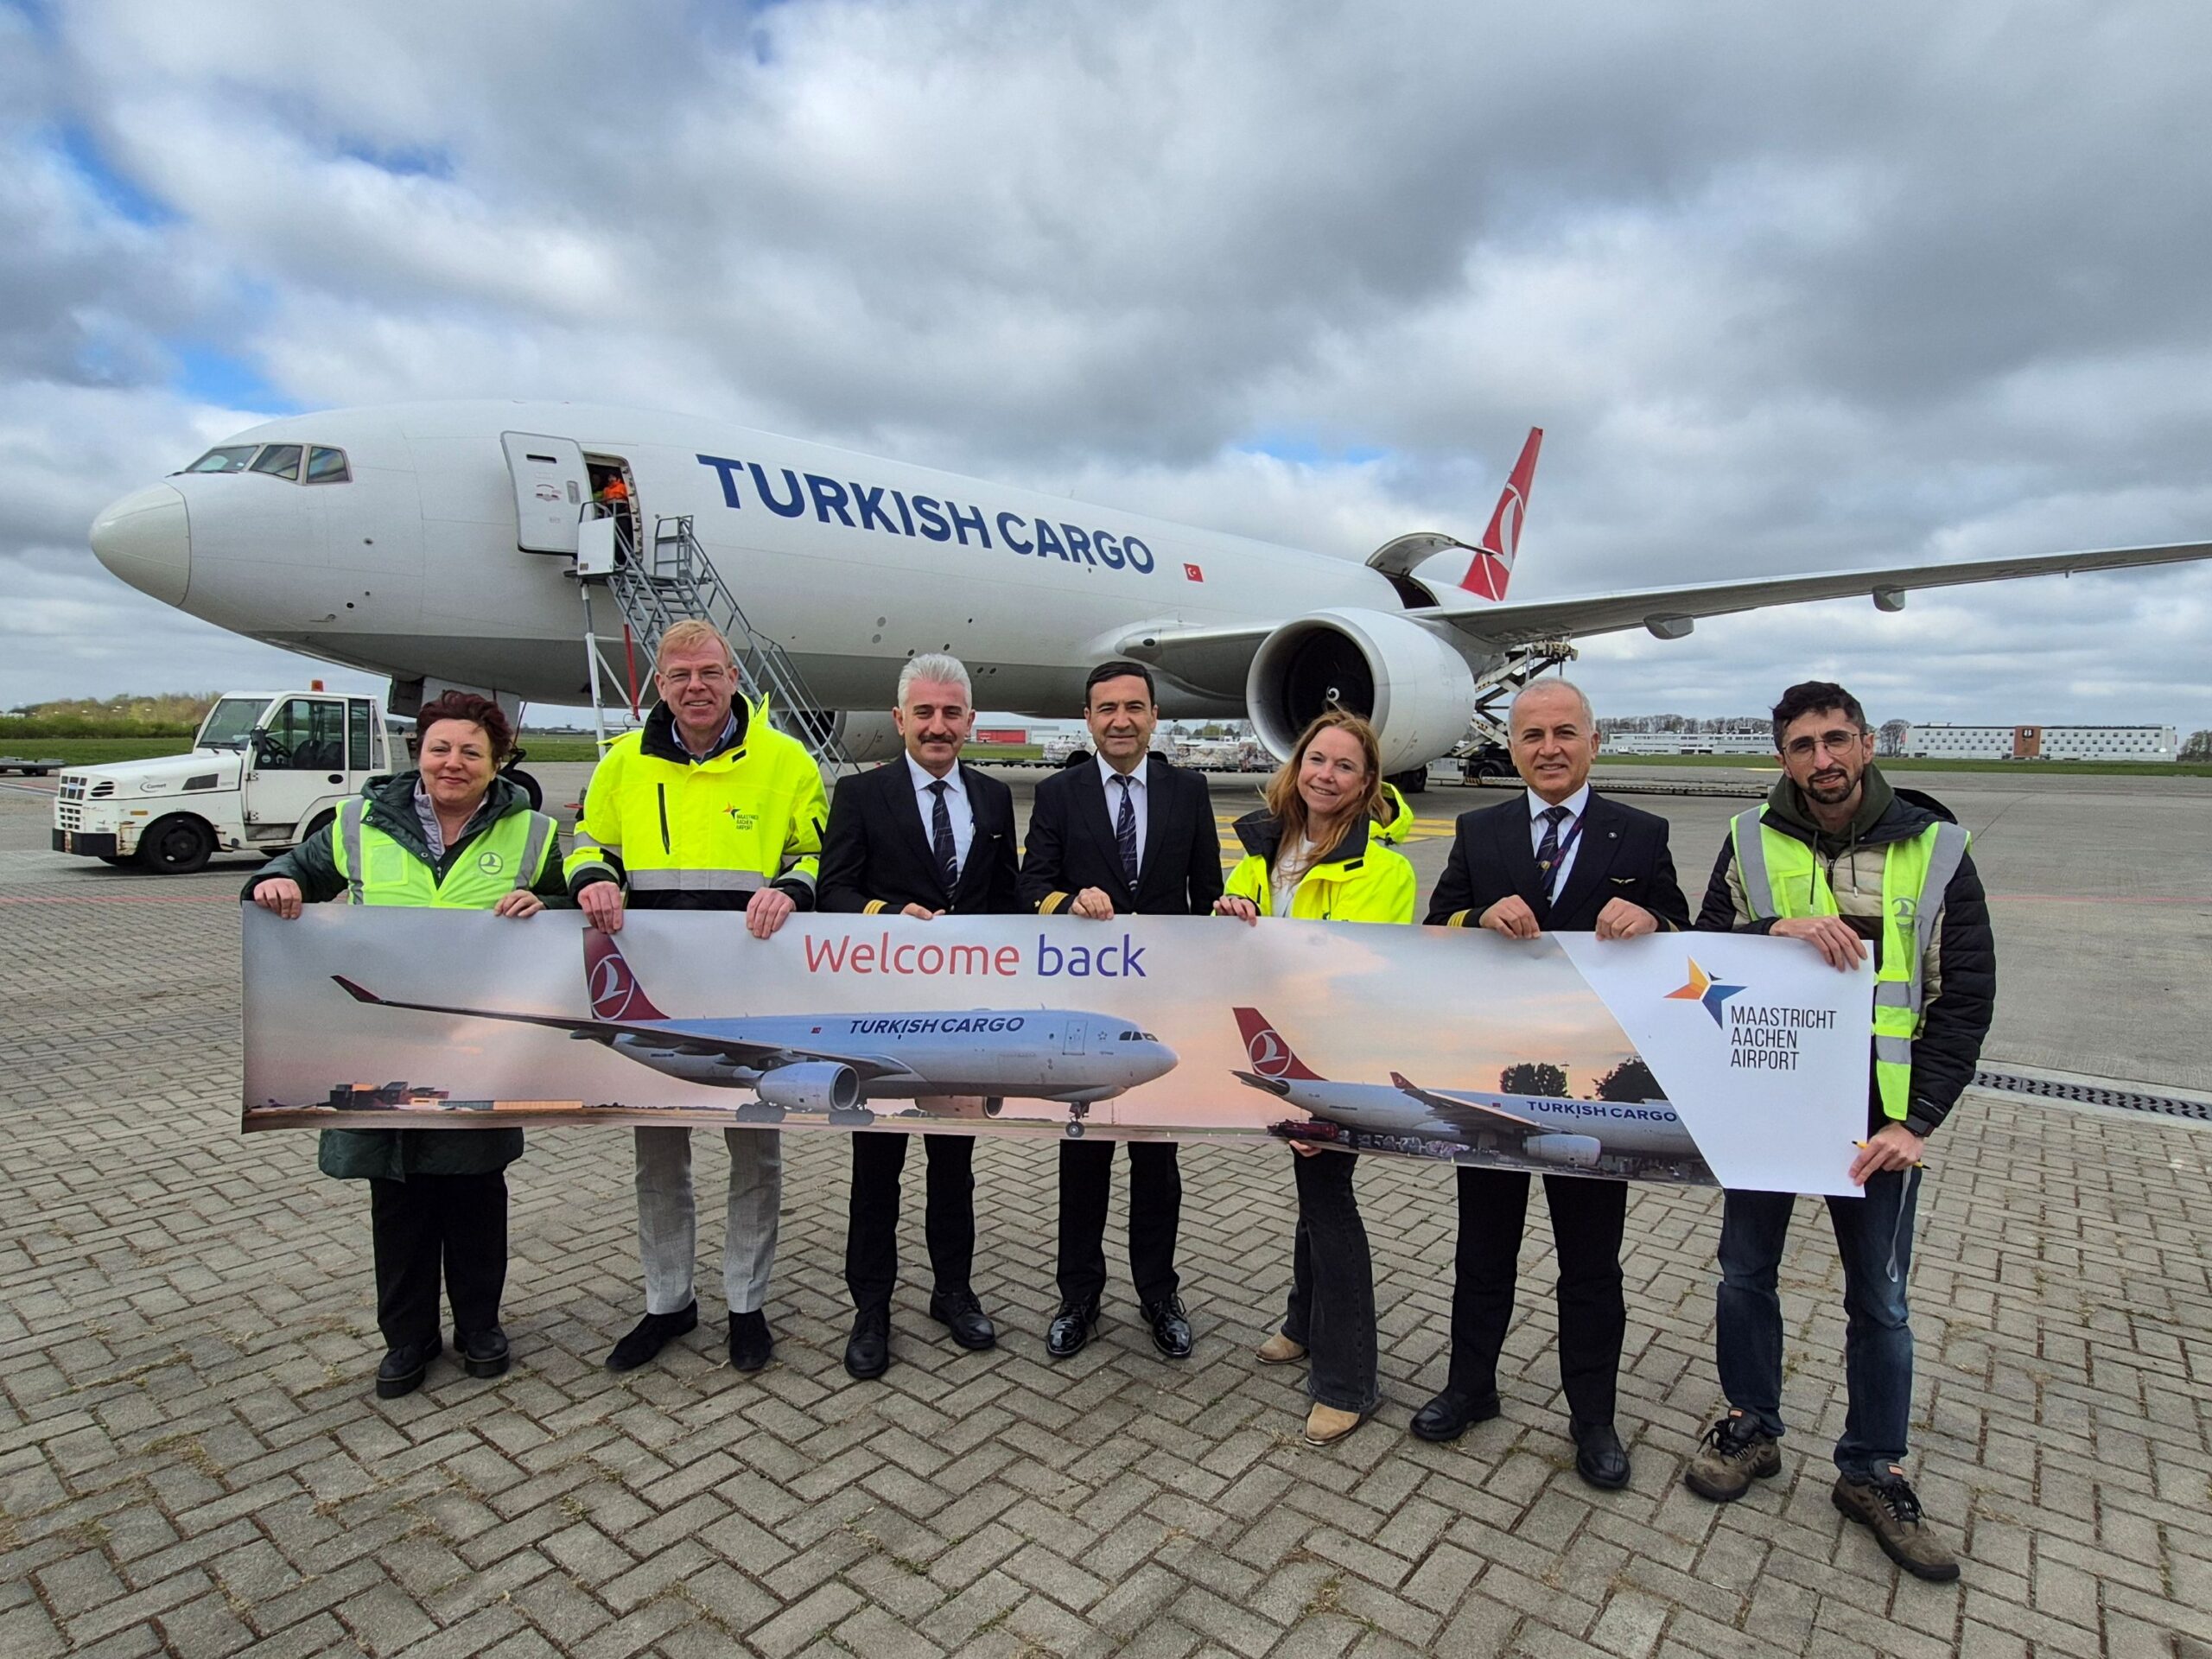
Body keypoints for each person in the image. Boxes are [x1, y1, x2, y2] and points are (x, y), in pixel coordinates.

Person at [1684, 680, 1993, 1584]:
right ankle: (1750, 1425)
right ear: (1781, 758)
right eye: (1802, 746)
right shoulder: (1750, 839)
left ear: (1865, 743)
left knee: (1881, 1303)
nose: (1821, 760)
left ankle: (1871, 1469)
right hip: (1769, 1104)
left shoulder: (1936, 847)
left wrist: (1917, 1120)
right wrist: (1770, 928)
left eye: (1835, 740)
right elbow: (1701, 954)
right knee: (1744, 1274)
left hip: (1876, 1120)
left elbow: (1963, 998)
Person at [245, 692, 565, 1397]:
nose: (454, 763)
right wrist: (275, 884)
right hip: (383, 1041)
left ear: (497, 762)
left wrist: (549, 904)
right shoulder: (357, 823)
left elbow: (569, 907)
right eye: (440, 749)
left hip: (480, 1045)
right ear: (417, 754)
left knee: (476, 1190)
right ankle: (407, 1337)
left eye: (472, 752)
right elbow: (290, 873)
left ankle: (480, 1326)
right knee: (398, 1197)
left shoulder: (534, 832)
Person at [1417, 678, 1688, 1489]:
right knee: (1482, 1250)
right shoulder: (1481, 830)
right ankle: (1472, 1387)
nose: (1549, 748)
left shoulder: (1641, 834)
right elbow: (1434, 930)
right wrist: (1475, 918)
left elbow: (1687, 935)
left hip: (1592, 1092)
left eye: (1565, 732)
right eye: (1531, 735)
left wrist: (1655, 923)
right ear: (1513, 748)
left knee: (1592, 1264)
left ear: (1594, 742)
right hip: (1495, 1082)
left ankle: (1593, 1417)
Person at [564, 618, 828, 1376]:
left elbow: (817, 851)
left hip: (755, 992)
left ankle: (747, 1304)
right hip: (659, 997)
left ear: (734, 677)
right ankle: (667, 1303)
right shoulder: (622, 762)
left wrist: (792, 890)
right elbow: (589, 841)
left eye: (710, 672)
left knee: (756, 1153)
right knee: (658, 1158)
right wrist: (594, 877)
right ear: (659, 685)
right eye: (680, 676)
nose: (696, 687)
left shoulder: (785, 761)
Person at [817, 653, 1020, 1378]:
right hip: (883, 1021)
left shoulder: (993, 799)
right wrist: (885, 915)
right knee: (877, 1168)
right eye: (925, 713)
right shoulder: (860, 795)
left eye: (951, 713)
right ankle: (871, 1308)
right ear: (900, 718)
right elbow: (832, 892)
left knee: (953, 1165)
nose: (938, 726)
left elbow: (1007, 902)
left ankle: (952, 1292)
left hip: (963, 1020)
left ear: (970, 721)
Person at [1217, 710, 1415, 1446]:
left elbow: (1359, 981)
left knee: (1330, 1207)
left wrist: (1320, 1095)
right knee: (1312, 1196)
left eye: (1345, 766)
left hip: (1335, 1062)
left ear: (1367, 784)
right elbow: (1236, 960)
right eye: (1317, 760)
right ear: (1296, 766)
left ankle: (1348, 1379)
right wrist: (1229, 914)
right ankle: (1302, 1324)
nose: (1326, 776)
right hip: (1277, 1056)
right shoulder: (1258, 855)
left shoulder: (1384, 870)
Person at [1020, 660, 1224, 1360]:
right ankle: (1078, 1296)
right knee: (1083, 1158)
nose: (1121, 720)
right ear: (1087, 719)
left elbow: (1206, 895)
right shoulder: (1059, 793)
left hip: (1160, 1007)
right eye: (1106, 708)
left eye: (1134, 707)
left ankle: (1158, 1293)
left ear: (1154, 716)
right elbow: (1030, 886)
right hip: (1085, 1005)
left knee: (1157, 1162)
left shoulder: (1189, 791)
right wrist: (1068, 901)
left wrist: (1226, 924)